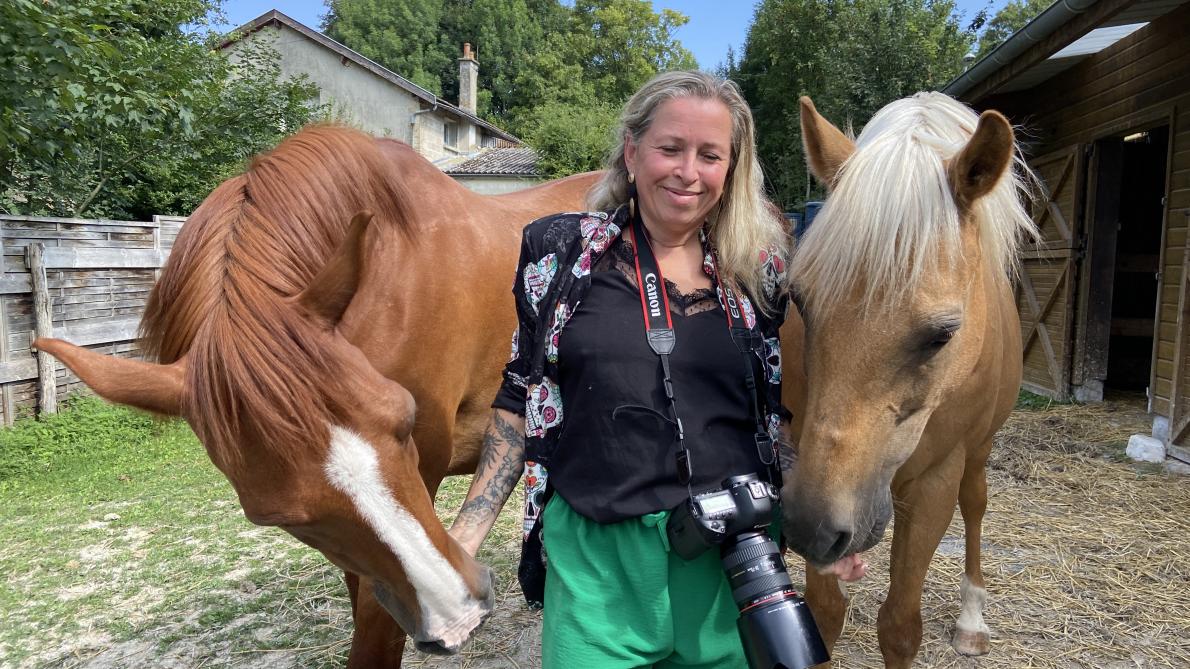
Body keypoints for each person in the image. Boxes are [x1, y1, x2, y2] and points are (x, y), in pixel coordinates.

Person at [448, 70, 794, 668]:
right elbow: (518, 398)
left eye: (710, 155)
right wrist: (464, 537)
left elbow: (772, 411)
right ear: (632, 152)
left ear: (731, 169)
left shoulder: (759, 269)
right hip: (598, 566)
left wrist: (811, 517)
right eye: (670, 148)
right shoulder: (558, 254)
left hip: (730, 566)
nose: (688, 171)